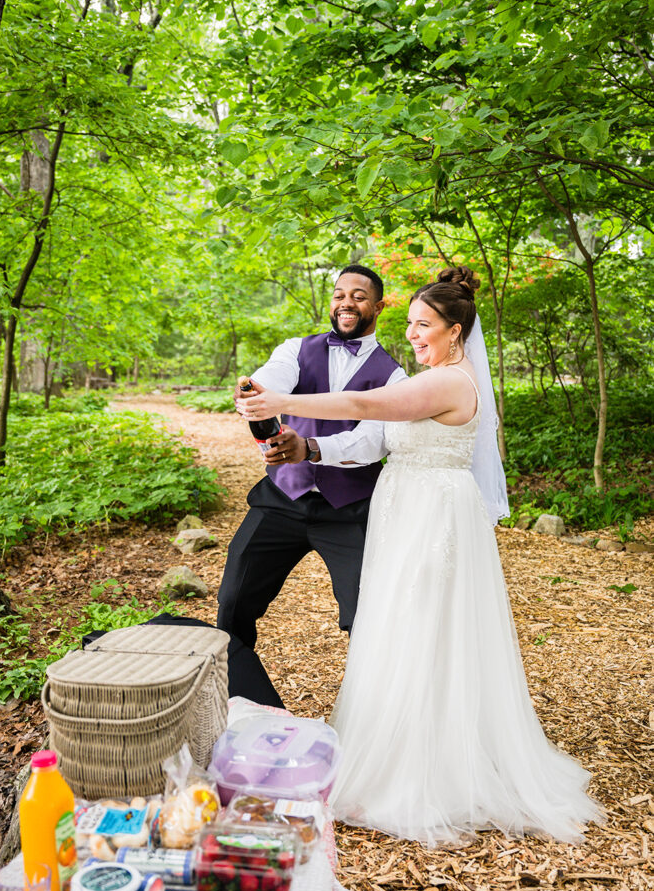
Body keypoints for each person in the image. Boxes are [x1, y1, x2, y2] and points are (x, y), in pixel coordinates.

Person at [237, 266, 603, 845]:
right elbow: (372, 437)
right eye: (408, 323)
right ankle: (395, 739)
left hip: (434, 520)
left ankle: (427, 766)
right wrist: (305, 442)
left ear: (455, 331)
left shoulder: (453, 383)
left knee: (425, 628)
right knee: (396, 626)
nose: (412, 334)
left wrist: (282, 400)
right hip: (405, 515)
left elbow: (365, 403)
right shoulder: (426, 376)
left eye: (423, 325)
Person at [217, 265, 407, 708]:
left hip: (351, 508)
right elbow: (273, 381)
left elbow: (373, 440)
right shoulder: (294, 349)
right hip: (282, 497)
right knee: (233, 601)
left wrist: (310, 447)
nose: (346, 302)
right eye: (340, 294)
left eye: (359, 296)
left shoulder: (394, 376)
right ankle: (241, 705)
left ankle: (372, 716)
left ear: (379, 307)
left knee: (365, 614)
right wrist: (256, 394)